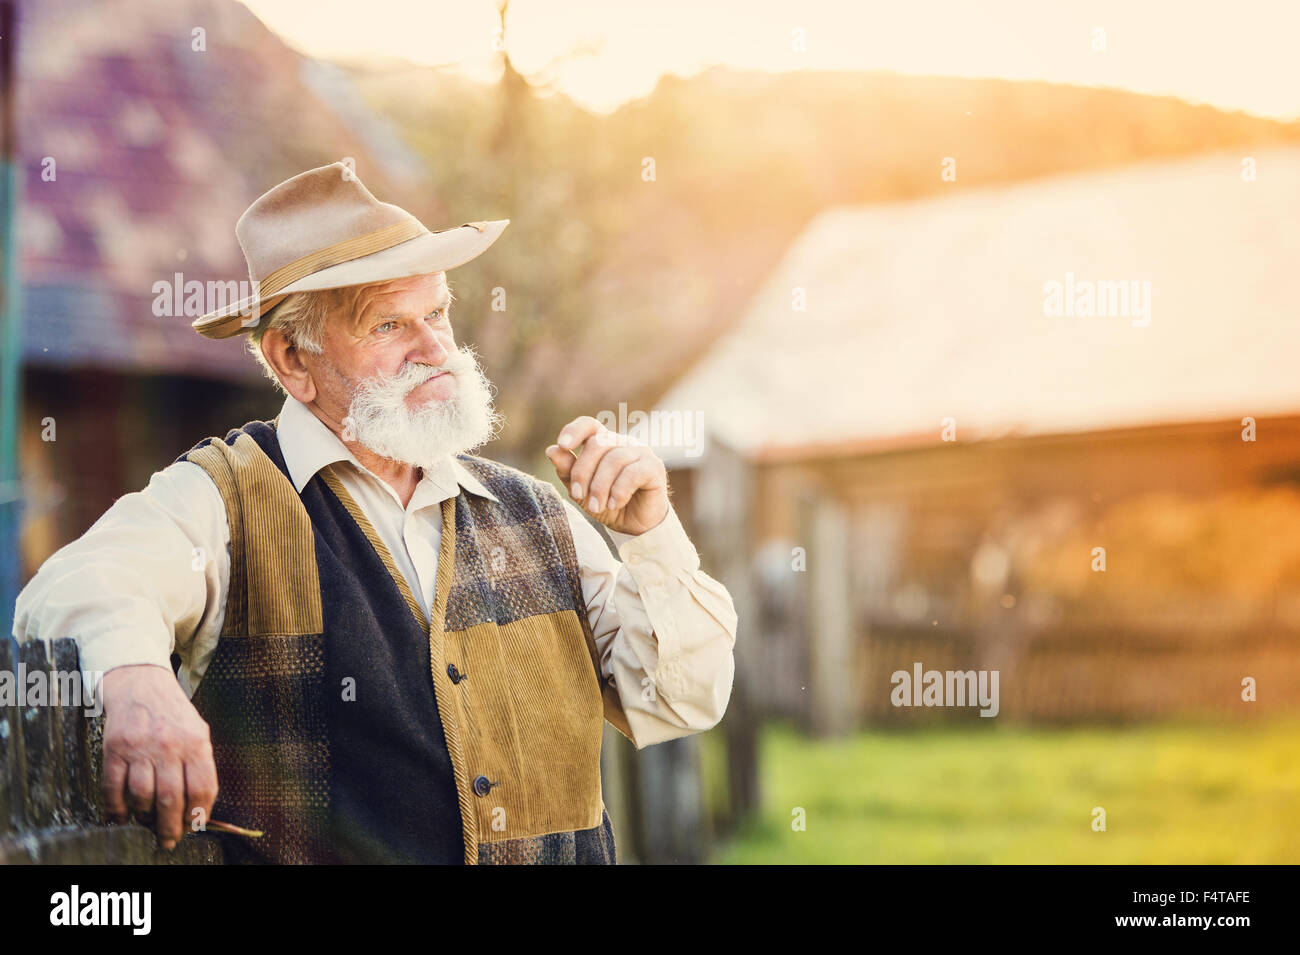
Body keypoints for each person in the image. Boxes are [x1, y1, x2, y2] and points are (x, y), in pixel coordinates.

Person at [12, 163, 738, 864]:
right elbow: (74, 583)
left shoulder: (533, 511)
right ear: (292, 359)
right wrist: (136, 679)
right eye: (389, 324)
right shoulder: (222, 499)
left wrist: (649, 533)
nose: (434, 349)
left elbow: (681, 698)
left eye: (437, 313)